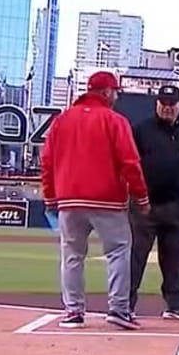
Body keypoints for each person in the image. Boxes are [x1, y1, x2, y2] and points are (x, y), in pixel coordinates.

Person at [39, 71, 150, 329]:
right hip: (107, 199)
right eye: (115, 91)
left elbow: (47, 161)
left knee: (72, 256)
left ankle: (73, 312)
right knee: (119, 251)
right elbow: (130, 163)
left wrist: (50, 196)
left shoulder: (62, 120)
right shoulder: (114, 120)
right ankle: (119, 310)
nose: (117, 95)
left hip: (69, 200)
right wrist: (141, 196)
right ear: (106, 92)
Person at [129, 84, 179, 321]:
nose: (167, 108)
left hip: (177, 205)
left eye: (172, 104)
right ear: (157, 104)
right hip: (144, 204)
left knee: (175, 257)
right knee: (135, 256)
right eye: (163, 103)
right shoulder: (141, 131)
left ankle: (175, 304)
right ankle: (125, 304)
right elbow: (129, 164)